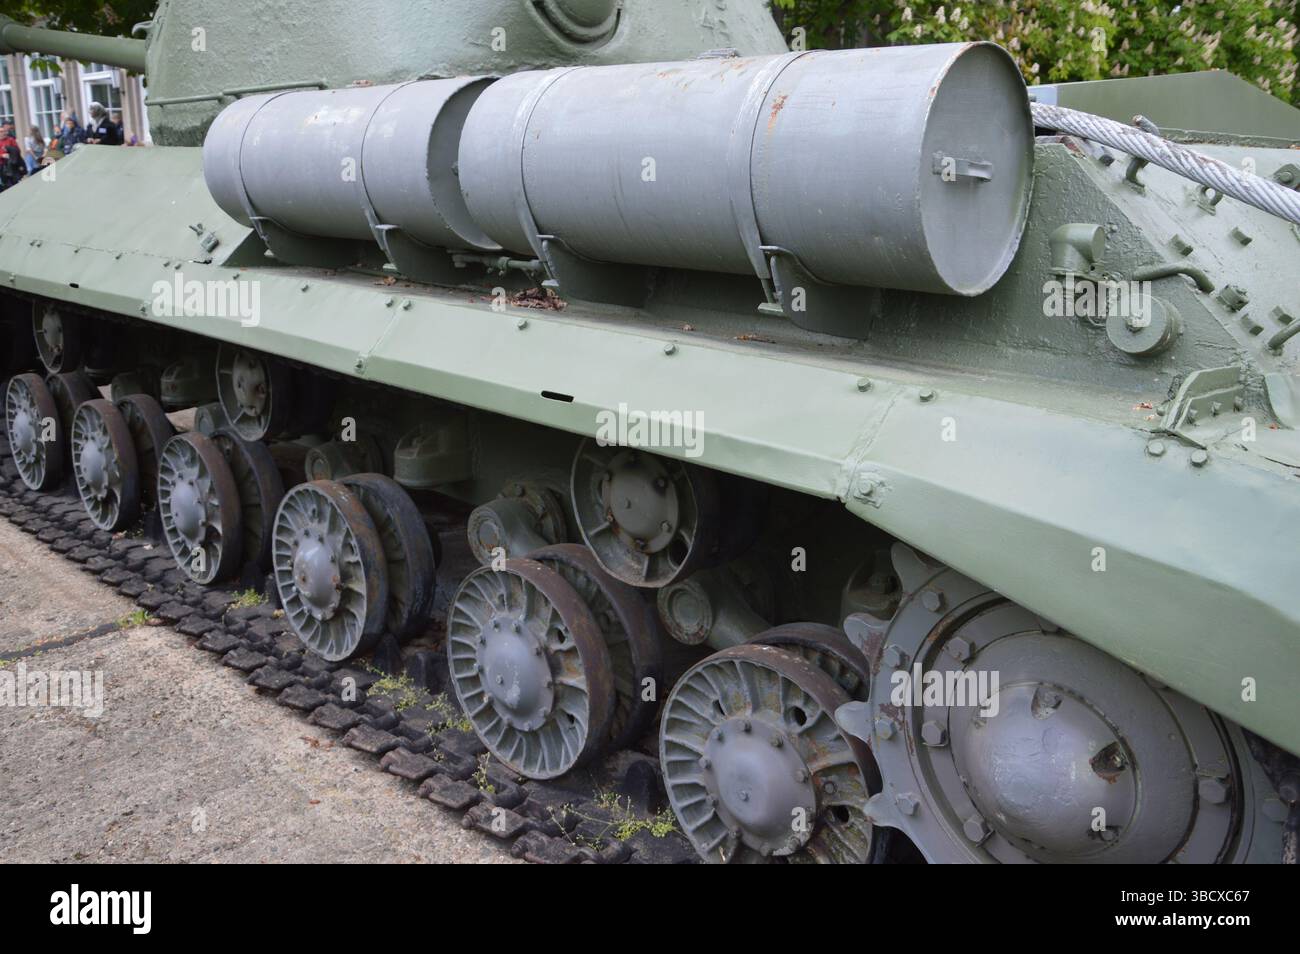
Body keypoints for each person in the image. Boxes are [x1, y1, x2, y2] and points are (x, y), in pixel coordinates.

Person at [0, 122, 26, 189]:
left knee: (15, 180)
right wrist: (2, 155)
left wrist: (10, 152)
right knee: (5, 182)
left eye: (5, 131)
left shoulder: (10, 139)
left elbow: (17, 150)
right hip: (2, 164)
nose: (4, 133)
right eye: (2, 132)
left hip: (12, 163)